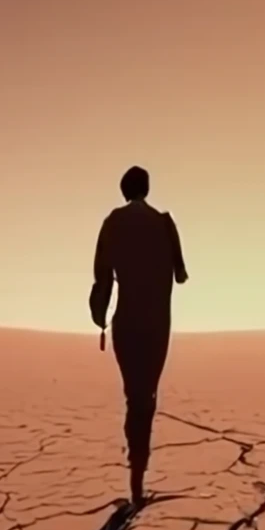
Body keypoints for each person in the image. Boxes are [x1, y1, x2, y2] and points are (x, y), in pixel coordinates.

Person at [89, 166, 188, 505]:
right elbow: (182, 275)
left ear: (123, 189)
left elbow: (102, 279)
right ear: (146, 188)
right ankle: (139, 472)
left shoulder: (112, 223)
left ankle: (135, 470)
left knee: (134, 396)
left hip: (127, 322)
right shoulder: (165, 223)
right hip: (158, 324)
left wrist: (98, 317)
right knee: (147, 396)